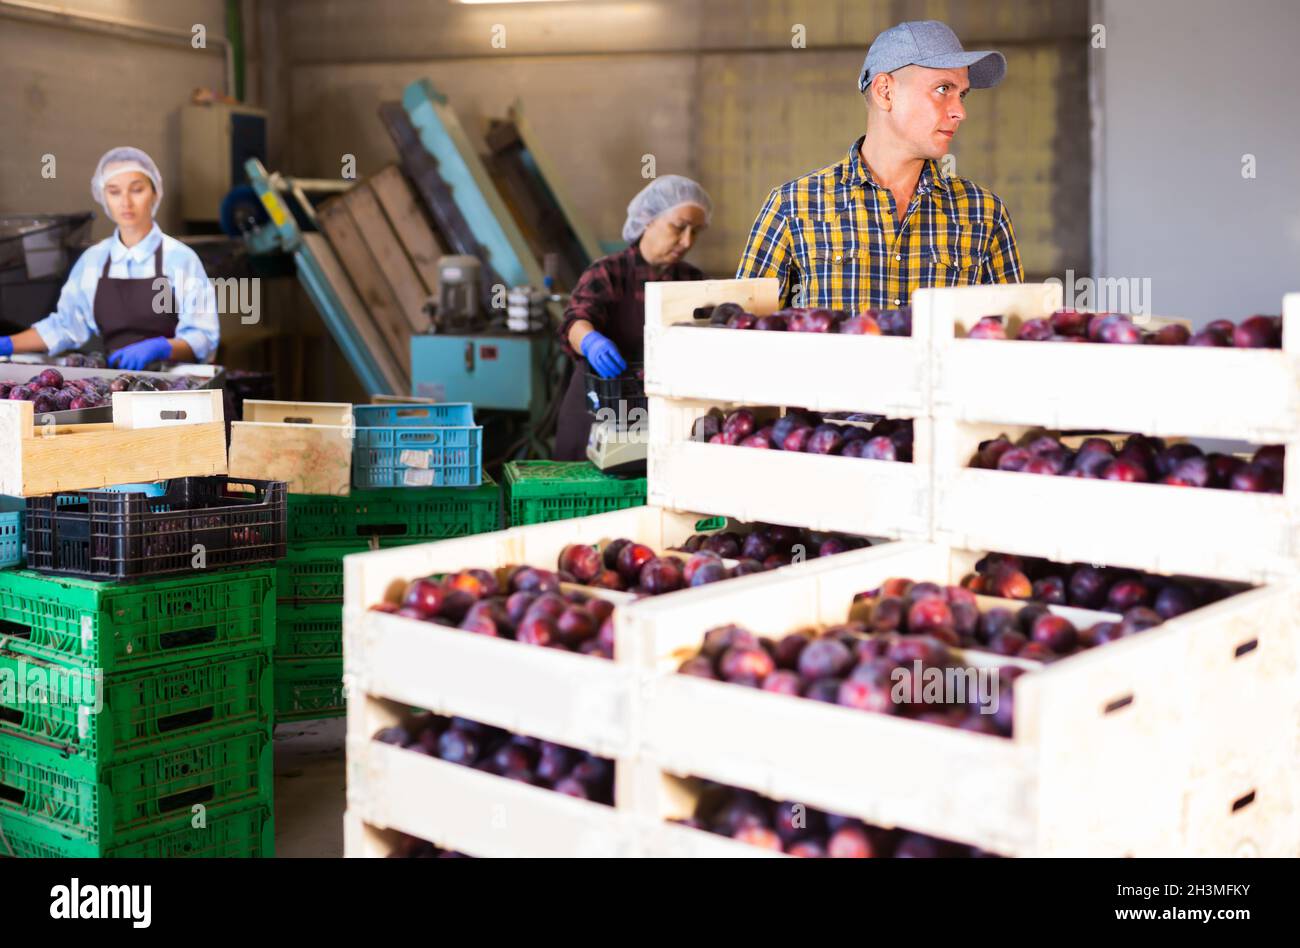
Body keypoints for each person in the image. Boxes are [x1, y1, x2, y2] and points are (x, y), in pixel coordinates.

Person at [736, 20, 1023, 313]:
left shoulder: (985, 213)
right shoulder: (792, 206)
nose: (960, 111)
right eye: (943, 89)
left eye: (962, 94)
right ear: (885, 92)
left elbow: (1014, 346)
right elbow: (738, 337)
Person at [0, 147, 219, 369]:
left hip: (176, 385)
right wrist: (8, 343)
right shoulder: (93, 261)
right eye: (114, 191)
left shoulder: (180, 259)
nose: (125, 202)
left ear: (155, 192)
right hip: (117, 383)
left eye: (137, 190)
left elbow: (203, 336)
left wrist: (161, 347)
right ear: (103, 197)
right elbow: (65, 325)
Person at [554, 175, 712, 461]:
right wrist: (590, 341)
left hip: (656, 412)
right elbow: (575, 321)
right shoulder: (608, 272)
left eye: (696, 231)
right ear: (647, 219)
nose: (687, 241)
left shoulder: (691, 280)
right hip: (598, 409)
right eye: (678, 227)